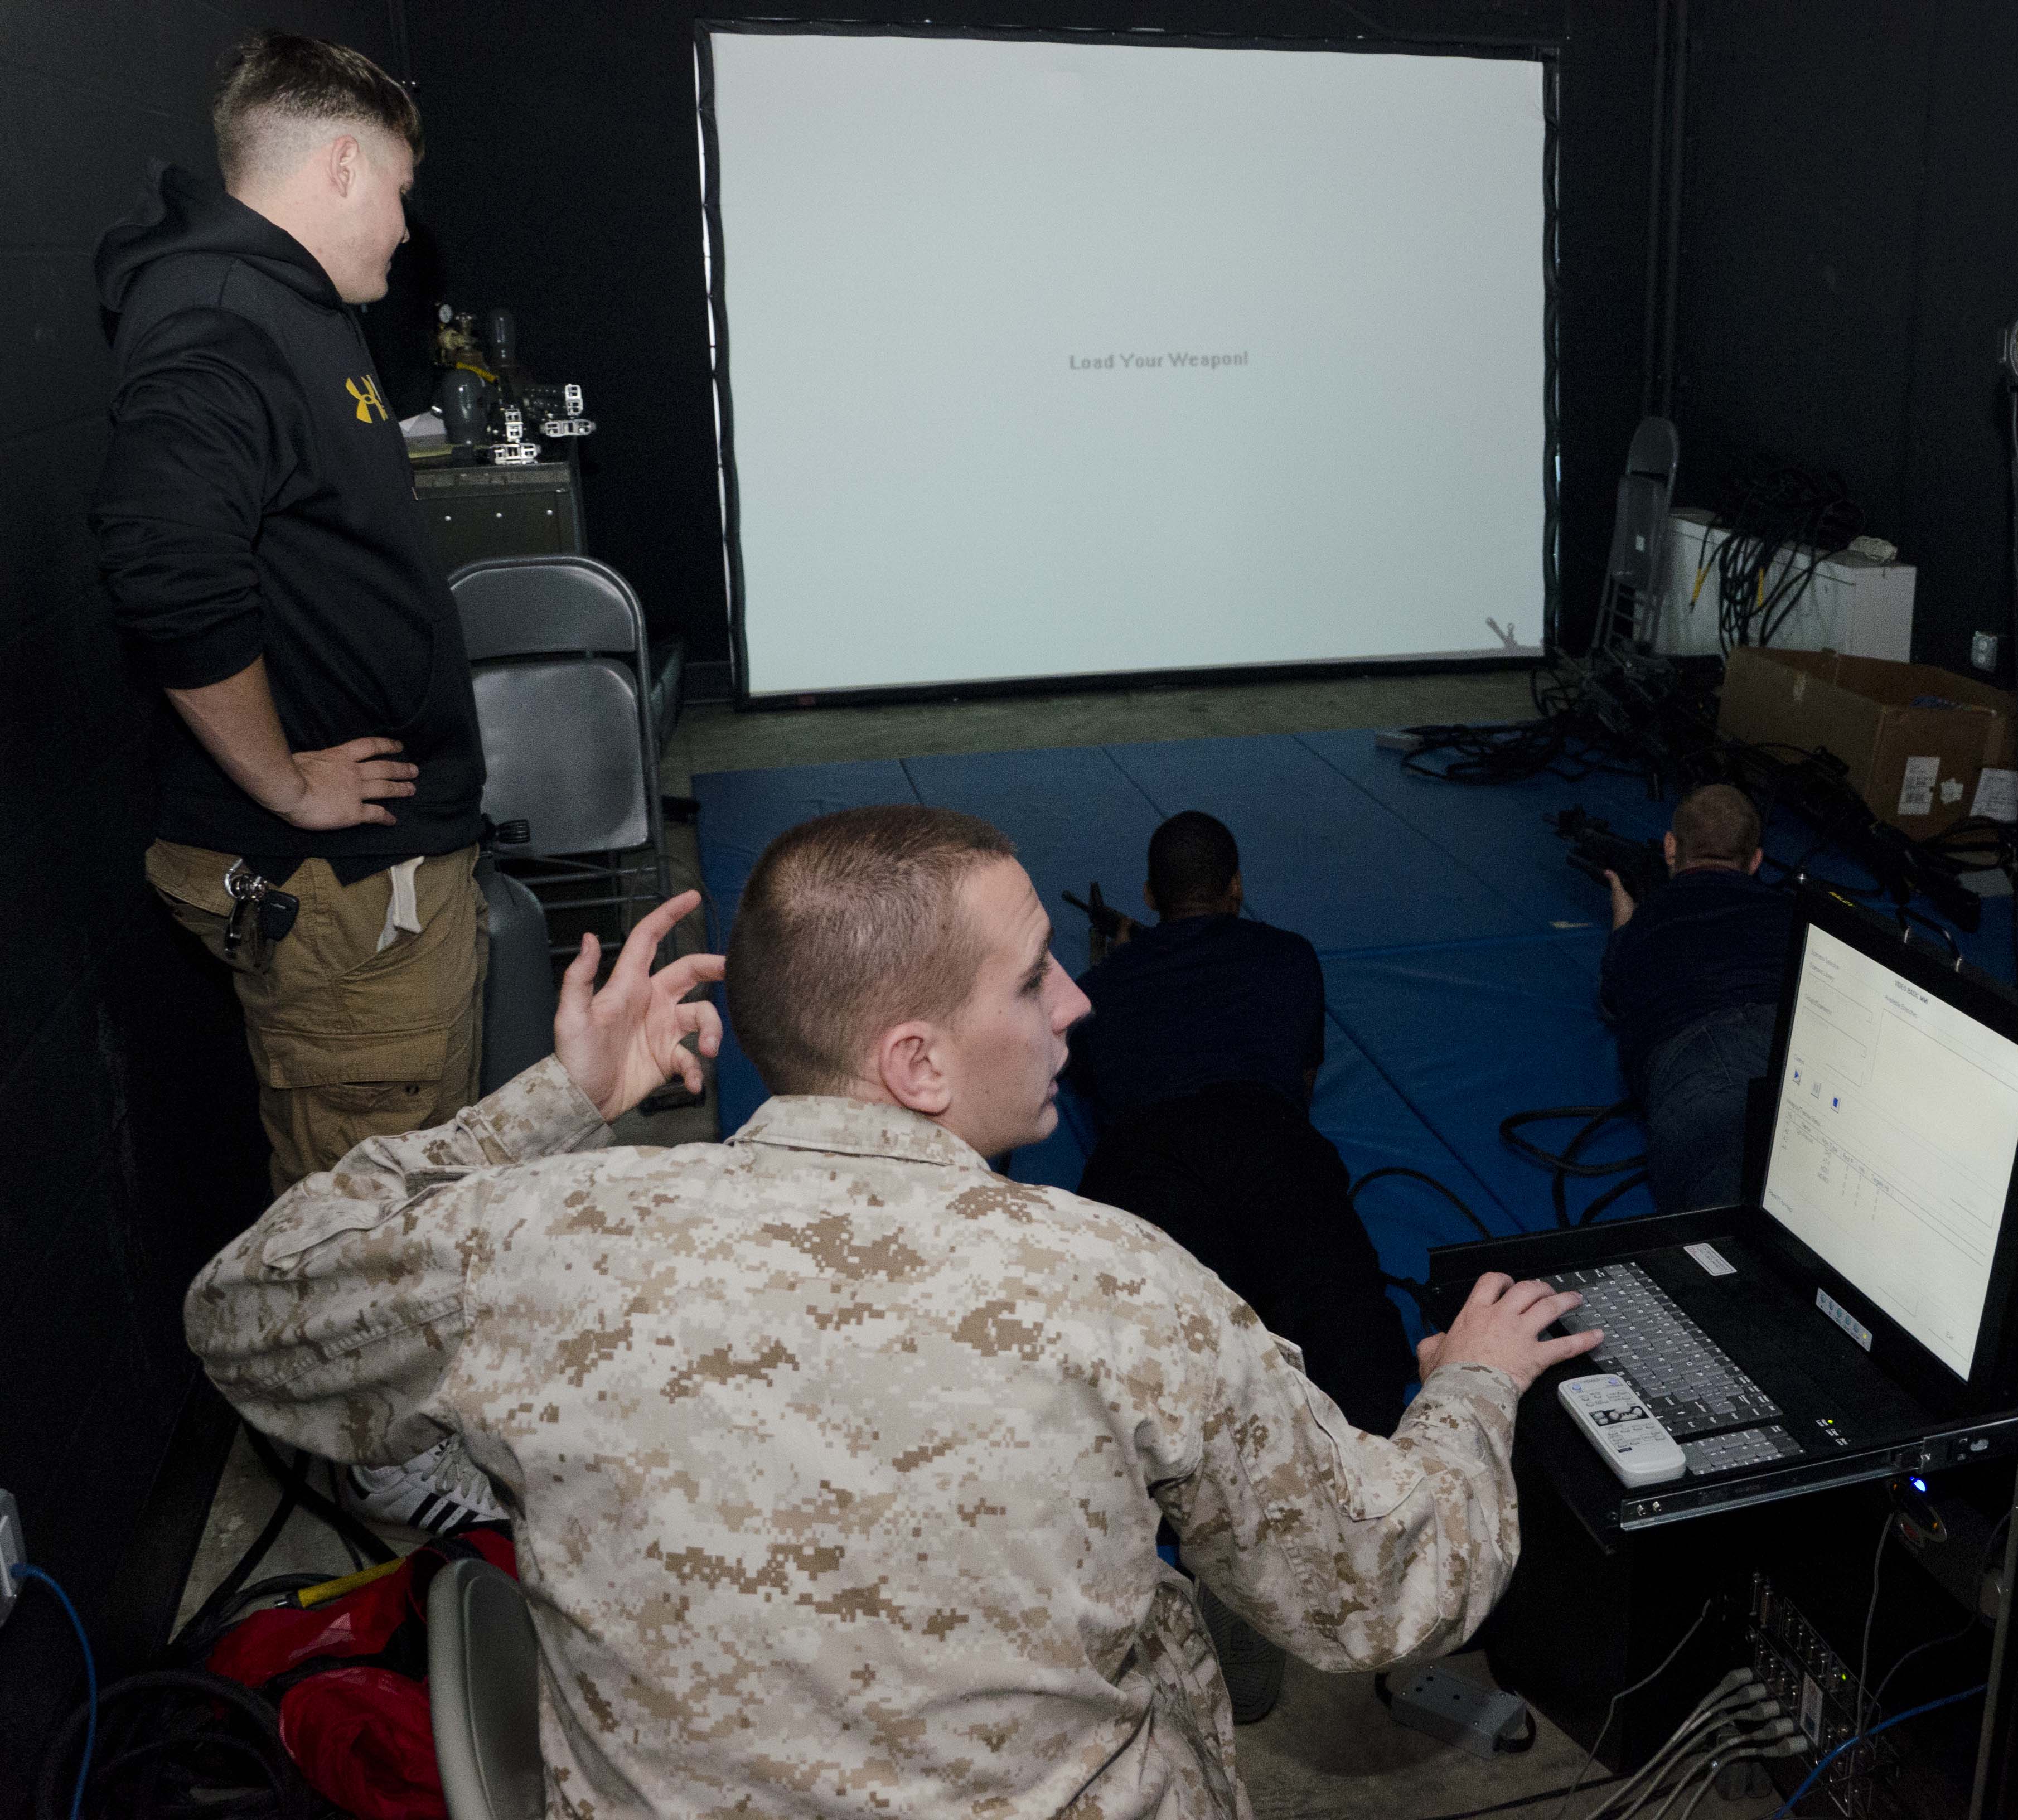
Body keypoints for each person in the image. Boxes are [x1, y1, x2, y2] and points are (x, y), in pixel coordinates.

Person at [183, 806, 1603, 1818]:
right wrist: (1472, 1389)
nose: (1078, 1004)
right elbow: (1388, 1589)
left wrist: (567, 1099)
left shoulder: (544, 1243)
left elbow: (247, 1312)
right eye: (1034, 975)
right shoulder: (1120, 1288)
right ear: (918, 1062)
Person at [95, 30, 497, 1532]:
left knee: (388, 1153)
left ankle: (396, 1411)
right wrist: (284, 785)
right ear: (338, 164)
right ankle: (389, 1464)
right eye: (395, 186)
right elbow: (164, 564)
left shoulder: (289, 312)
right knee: (368, 1183)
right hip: (334, 886)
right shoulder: (224, 316)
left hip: (357, 880)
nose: (403, 223)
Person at [1068, 811, 1416, 1440]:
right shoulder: (1289, 956)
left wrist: (1119, 968)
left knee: (1160, 1361)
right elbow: (1298, 1087)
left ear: (1150, 895)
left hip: (1142, 1159)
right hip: (1268, 1139)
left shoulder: (1097, 990)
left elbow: (1093, 1088)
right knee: (1347, 1336)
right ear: (1235, 887)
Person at [1599, 785, 1800, 1213]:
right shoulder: (1791, 915)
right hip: (1799, 1051)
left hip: (1703, 1065)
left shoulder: (1647, 922)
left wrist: (1622, 925)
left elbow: (1613, 995)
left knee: (1727, 1233)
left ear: (1671, 847)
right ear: (1756, 861)